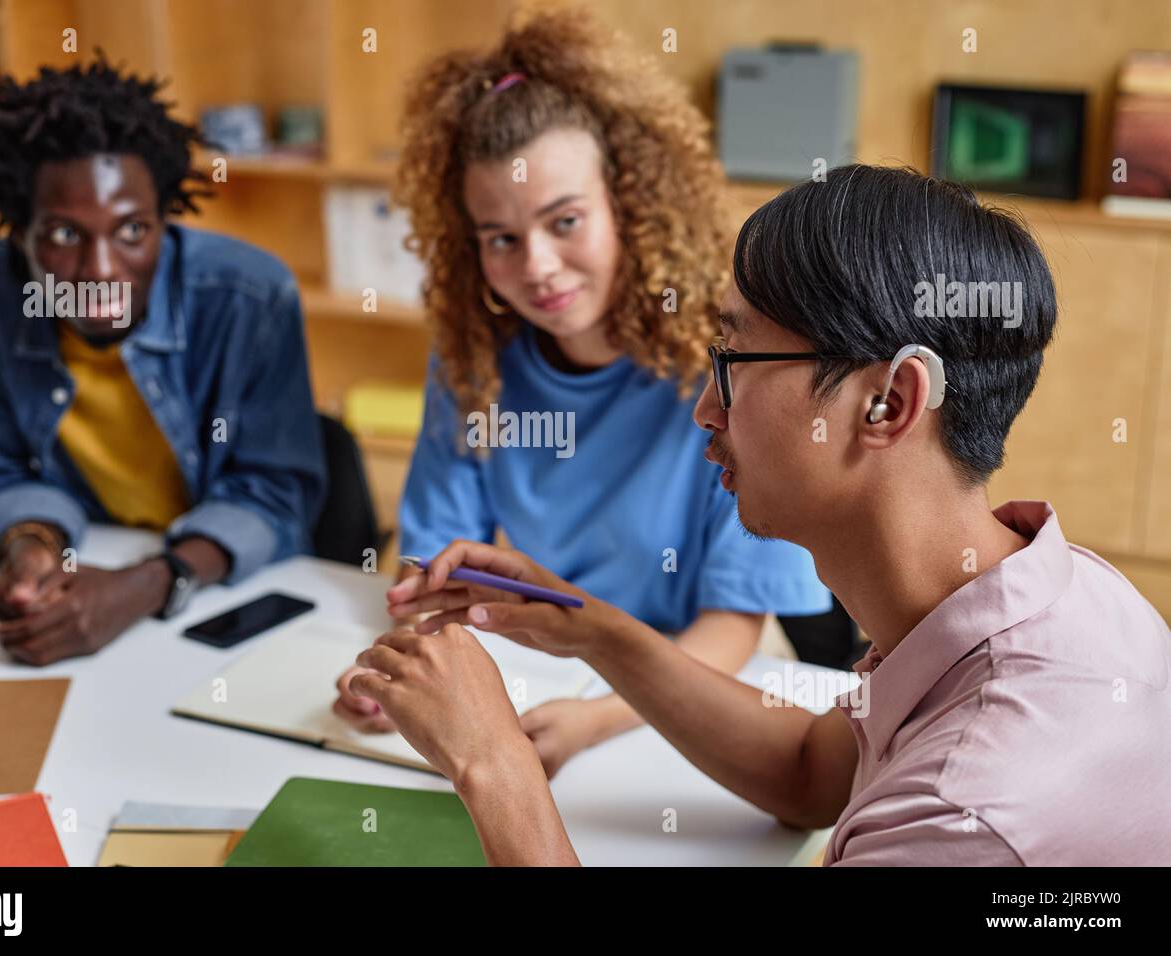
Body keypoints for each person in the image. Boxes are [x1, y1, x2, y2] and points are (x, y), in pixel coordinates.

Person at [344, 165, 1171, 865]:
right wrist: (590, 627)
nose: (706, 409)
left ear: (888, 402)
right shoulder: (1054, 594)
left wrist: (489, 763)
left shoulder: (965, 818)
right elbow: (811, 776)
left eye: (735, 361)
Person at [332, 10, 831, 778]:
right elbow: (431, 566)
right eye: (500, 237)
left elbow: (734, 625)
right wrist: (408, 667)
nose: (537, 265)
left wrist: (596, 722)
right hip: (538, 668)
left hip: (685, 693)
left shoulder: (730, 362)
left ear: (630, 205)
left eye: (564, 221)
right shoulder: (473, 361)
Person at [0, 57, 326, 666]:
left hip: (217, 600)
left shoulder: (249, 297)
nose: (100, 271)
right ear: (19, 231)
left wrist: (150, 585)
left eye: (132, 231)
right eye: (64, 236)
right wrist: (31, 548)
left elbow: (276, 496)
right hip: (93, 556)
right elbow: (11, 470)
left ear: (164, 218)